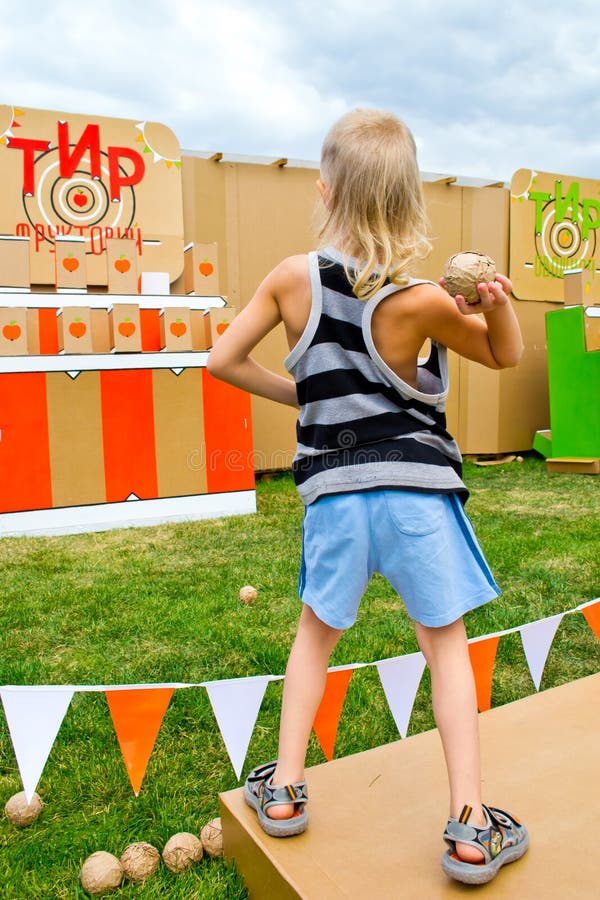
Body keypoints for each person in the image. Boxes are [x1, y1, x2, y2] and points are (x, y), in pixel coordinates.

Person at [207, 108, 529, 885]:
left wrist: (306, 398)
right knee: (444, 648)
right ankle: (470, 828)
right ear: (407, 199)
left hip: (337, 498)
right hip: (416, 494)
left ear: (324, 190)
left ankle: (282, 792)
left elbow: (222, 360)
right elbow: (504, 354)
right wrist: (499, 301)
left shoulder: (290, 278)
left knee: (315, 636)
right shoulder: (420, 300)